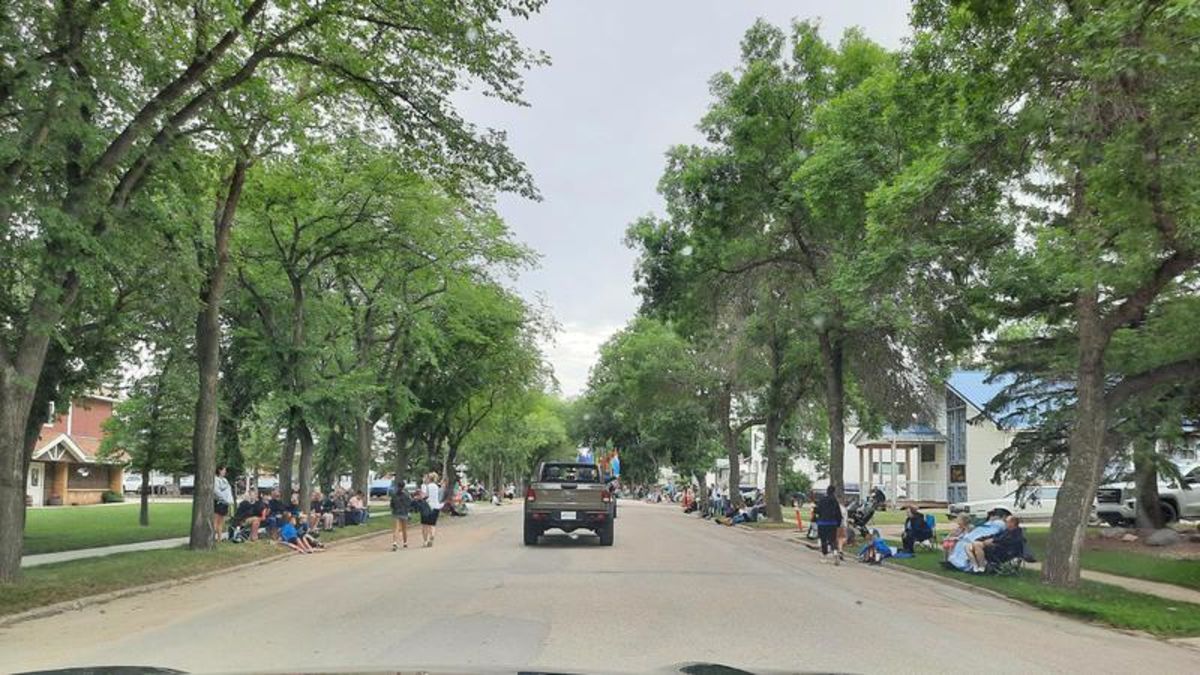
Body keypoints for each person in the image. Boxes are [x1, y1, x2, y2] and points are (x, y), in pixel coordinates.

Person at [814, 485, 844, 564]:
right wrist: (838, 523)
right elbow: (838, 514)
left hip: (822, 523)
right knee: (832, 540)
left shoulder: (822, 500)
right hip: (832, 523)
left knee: (823, 540)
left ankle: (824, 557)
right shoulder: (835, 501)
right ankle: (835, 552)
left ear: (827, 491)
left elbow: (817, 511)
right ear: (834, 492)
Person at [418, 472, 443, 547]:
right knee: (432, 525)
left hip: (427, 507)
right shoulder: (437, 487)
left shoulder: (426, 486)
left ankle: (425, 541)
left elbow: (424, 496)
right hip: (436, 507)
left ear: (429, 478)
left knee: (425, 525)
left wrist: (419, 497)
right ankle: (432, 536)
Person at [213, 466, 234, 542]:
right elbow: (216, 491)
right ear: (219, 470)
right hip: (218, 502)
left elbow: (229, 492)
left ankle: (219, 538)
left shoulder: (225, 480)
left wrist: (229, 501)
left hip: (225, 503)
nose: (225, 472)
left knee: (221, 522)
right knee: (215, 521)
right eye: (224, 470)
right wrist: (223, 498)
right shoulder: (216, 479)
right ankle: (212, 537)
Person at [390, 479, 412, 551]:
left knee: (396, 529)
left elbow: (392, 504)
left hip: (396, 512)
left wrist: (393, 509)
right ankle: (405, 542)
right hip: (404, 513)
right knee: (404, 529)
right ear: (404, 486)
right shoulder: (406, 495)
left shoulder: (394, 495)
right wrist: (408, 511)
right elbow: (409, 504)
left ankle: (395, 542)